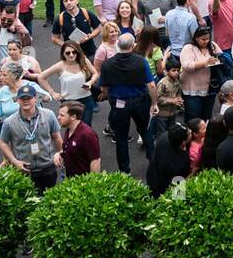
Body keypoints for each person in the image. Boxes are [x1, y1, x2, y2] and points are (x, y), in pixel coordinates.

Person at [99, 33, 158, 172]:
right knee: (145, 130)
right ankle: (153, 161)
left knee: (121, 137)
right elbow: (151, 85)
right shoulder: (141, 61)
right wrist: (154, 103)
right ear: (133, 45)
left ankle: (125, 171)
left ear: (118, 45)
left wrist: (112, 100)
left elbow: (104, 88)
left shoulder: (108, 64)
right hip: (140, 101)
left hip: (119, 104)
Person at [0, 85, 63, 195]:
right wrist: (14, 161)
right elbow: (3, 142)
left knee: (50, 200)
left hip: (47, 167)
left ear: (35, 98)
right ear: (17, 100)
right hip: (24, 169)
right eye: (22, 98)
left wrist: (61, 153)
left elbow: (56, 136)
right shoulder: (9, 122)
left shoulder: (49, 115)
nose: (26, 101)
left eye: (29, 98)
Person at [147, 120, 192, 197]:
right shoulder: (181, 162)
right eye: (189, 134)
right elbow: (178, 191)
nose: (191, 131)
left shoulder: (165, 137)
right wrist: (193, 172)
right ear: (183, 142)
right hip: (164, 191)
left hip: (152, 177)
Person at [58, 101, 101, 177]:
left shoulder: (88, 135)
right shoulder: (69, 130)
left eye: (62, 115)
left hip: (83, 183)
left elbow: (95, 161)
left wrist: (92, 183)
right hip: (71, 180)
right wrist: (59, 154)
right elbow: (69, 149)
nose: (58, 117)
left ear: (73, 117)